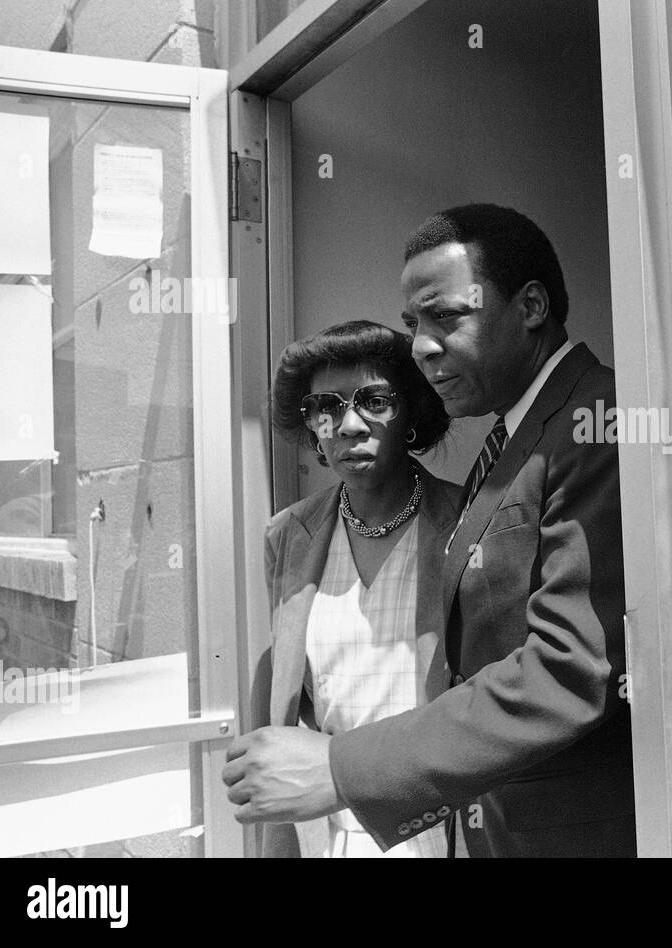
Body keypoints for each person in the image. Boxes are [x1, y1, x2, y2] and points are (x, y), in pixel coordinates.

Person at [224, 204, 635, 858]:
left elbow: (572, 669)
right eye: (414, 323)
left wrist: (340, 769)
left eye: (446, 316)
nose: (420, 345)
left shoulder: (596, 422)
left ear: (530, 307)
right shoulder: (517, 437)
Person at [249, 320, 457, 857]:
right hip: (334, 834)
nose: (348, 424)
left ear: (410, 411)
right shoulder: (288, 535)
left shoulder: (467, 522)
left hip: (443, 829)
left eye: (374, 401)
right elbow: (286, 691)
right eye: (327, 407)